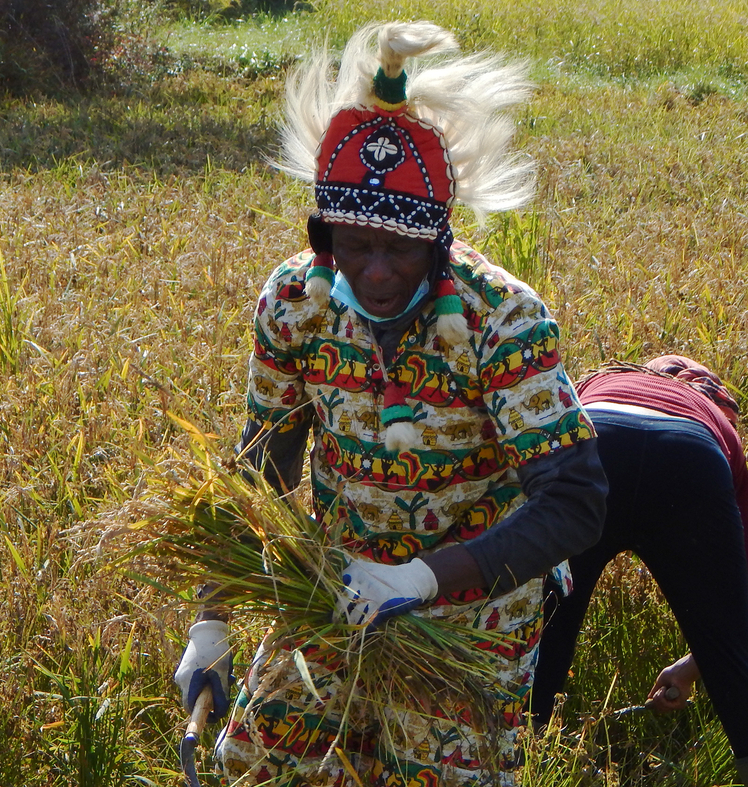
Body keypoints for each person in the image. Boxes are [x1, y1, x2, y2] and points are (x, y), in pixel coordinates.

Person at [172, 22, 608, 787]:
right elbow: (261, 466)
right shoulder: (295, 303)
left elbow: (576, 499)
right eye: (354, 245)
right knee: (259, 766)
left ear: (438, 241)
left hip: (471, 615)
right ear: (324, 235)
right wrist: (213, 616)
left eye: (399, 249)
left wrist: (422, 579)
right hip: (336, 591)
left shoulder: (501, 319)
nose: (375, 271)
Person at [528, 356, 748, 787]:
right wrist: (693, 667)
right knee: (737, 680)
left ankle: (516, 761)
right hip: (692, 458)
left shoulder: (601, 382)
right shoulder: (716, 423)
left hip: (599, 438)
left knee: (540, 649)